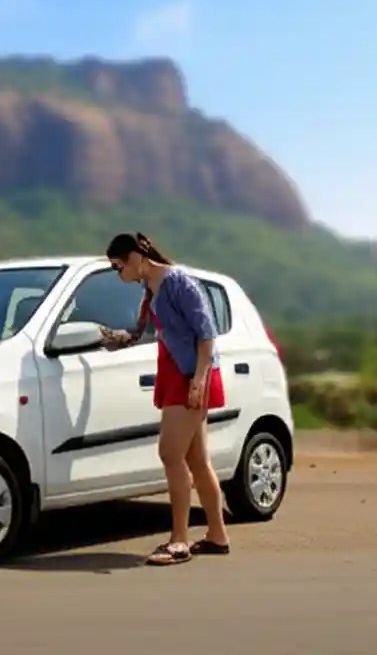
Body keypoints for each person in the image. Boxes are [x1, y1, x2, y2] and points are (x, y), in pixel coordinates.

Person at [99, 232, 230, 566]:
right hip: (175, 374)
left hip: (191, 376)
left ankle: (179, 542)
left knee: (170, 454)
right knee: (197, 461)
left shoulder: (180, 283)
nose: (119, 275)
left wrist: (198, 380)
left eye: (118, 267)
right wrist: (120, 338)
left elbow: (206, 334)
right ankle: (217, 536)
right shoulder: (151, 289)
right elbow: (148, 331)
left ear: (134, 258)